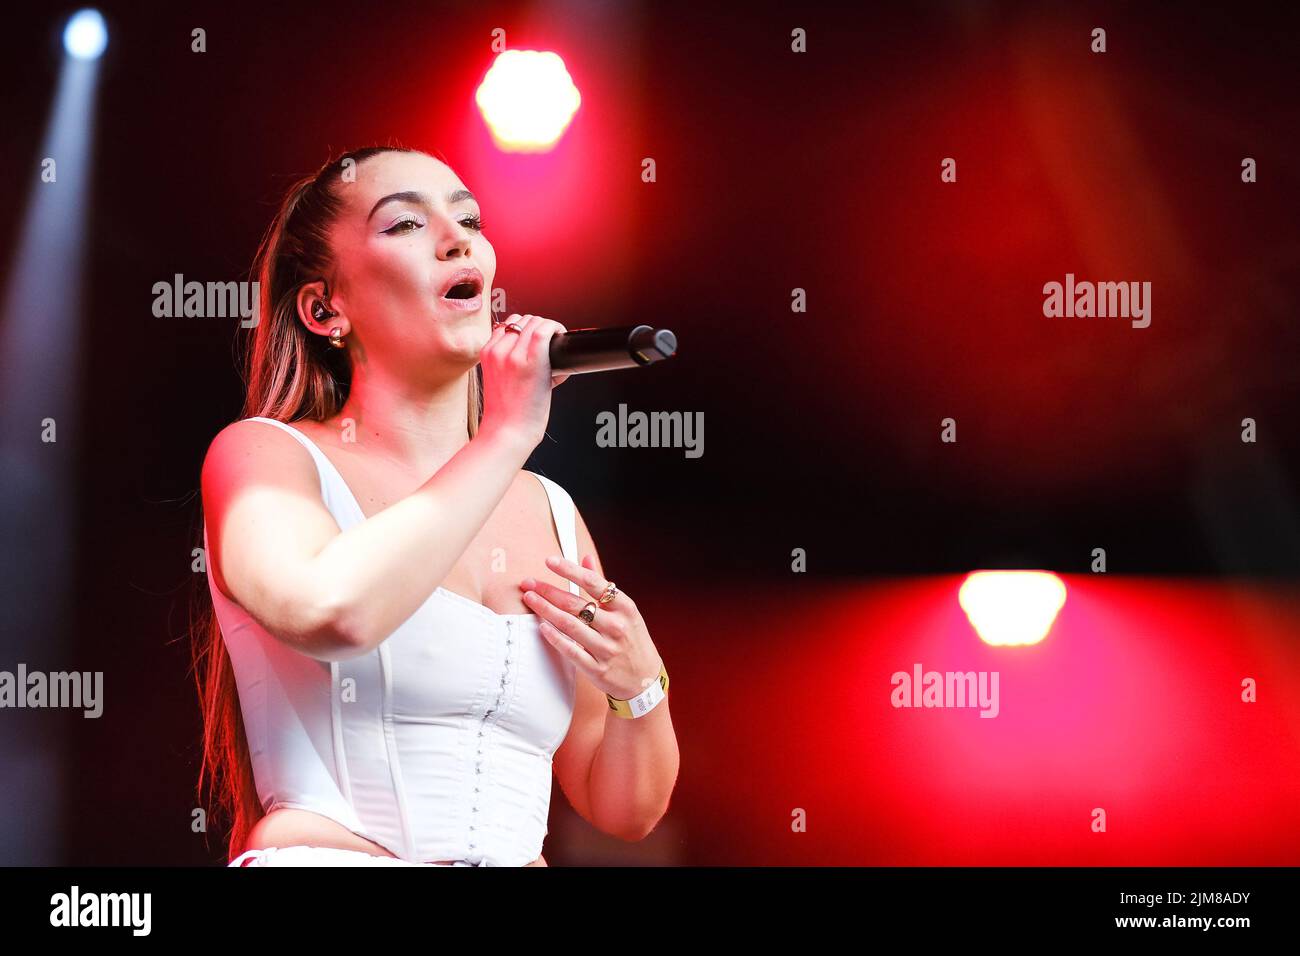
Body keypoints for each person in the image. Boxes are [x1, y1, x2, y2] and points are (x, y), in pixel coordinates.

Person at [191, 145, 679, 866]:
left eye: (469, 219)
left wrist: (642, 687)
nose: (457, 238)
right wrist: (506, 434)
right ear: (325, 309)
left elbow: (622, 808)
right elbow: (334, 609)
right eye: (405, 226)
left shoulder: (550, 511)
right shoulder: (265, 457)